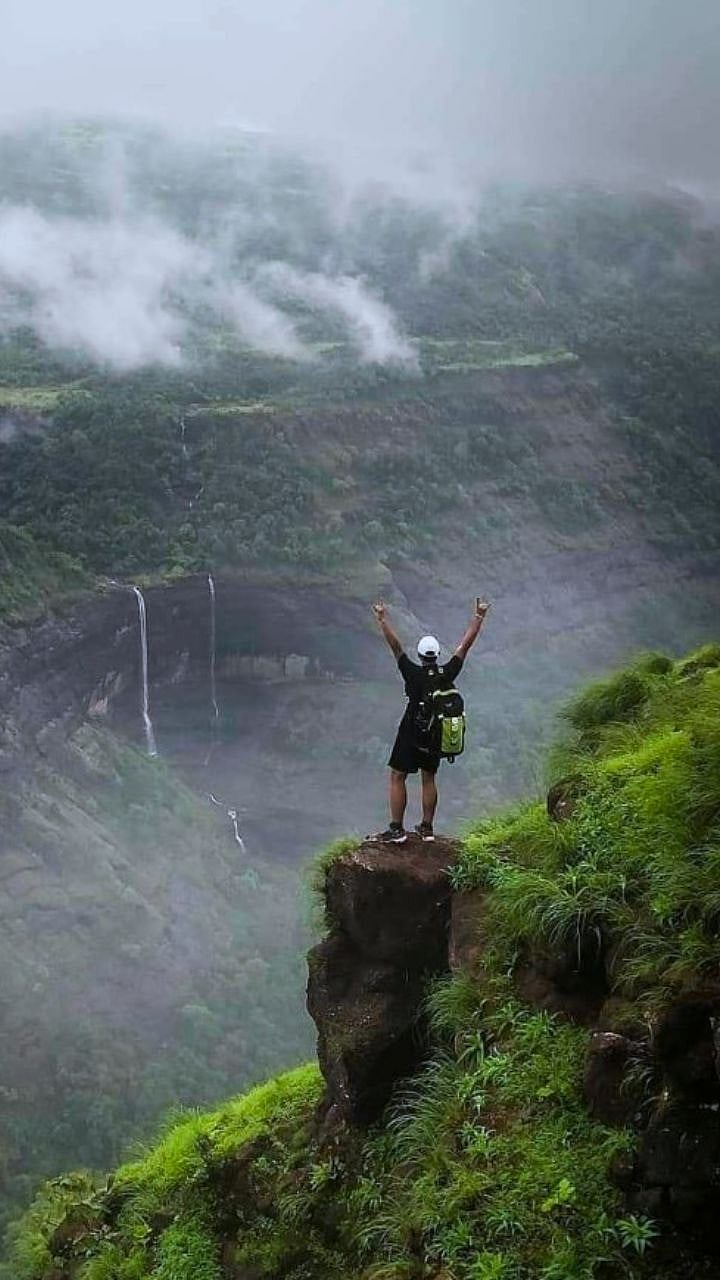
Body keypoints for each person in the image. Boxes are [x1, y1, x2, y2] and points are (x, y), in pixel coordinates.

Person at [369, 598, 491, 843]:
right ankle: (427, 828)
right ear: (436, 655)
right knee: (429, 777)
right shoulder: (447, 673)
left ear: (421, 655)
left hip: (410, 732)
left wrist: (382, 619)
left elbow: (396, 647)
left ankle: (396, 829)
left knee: (397, 776)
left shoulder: (412, 672)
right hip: (435, 735)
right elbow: (464, 646)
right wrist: (479, 616)